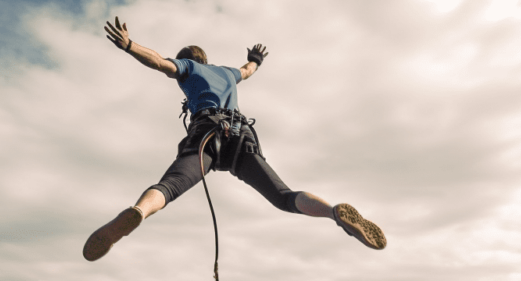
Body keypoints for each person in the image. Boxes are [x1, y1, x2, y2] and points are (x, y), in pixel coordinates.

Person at [82, 16, 386, 262]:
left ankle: (138, 212)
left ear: (187, 60)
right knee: (283, 196)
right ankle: (334, 213)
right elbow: (247, 71)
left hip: (207, 133)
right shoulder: (227, 72)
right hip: (241, 137)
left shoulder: (189, 68)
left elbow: (160, 62)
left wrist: (130, 45)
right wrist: (256, 60)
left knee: (170, 186)